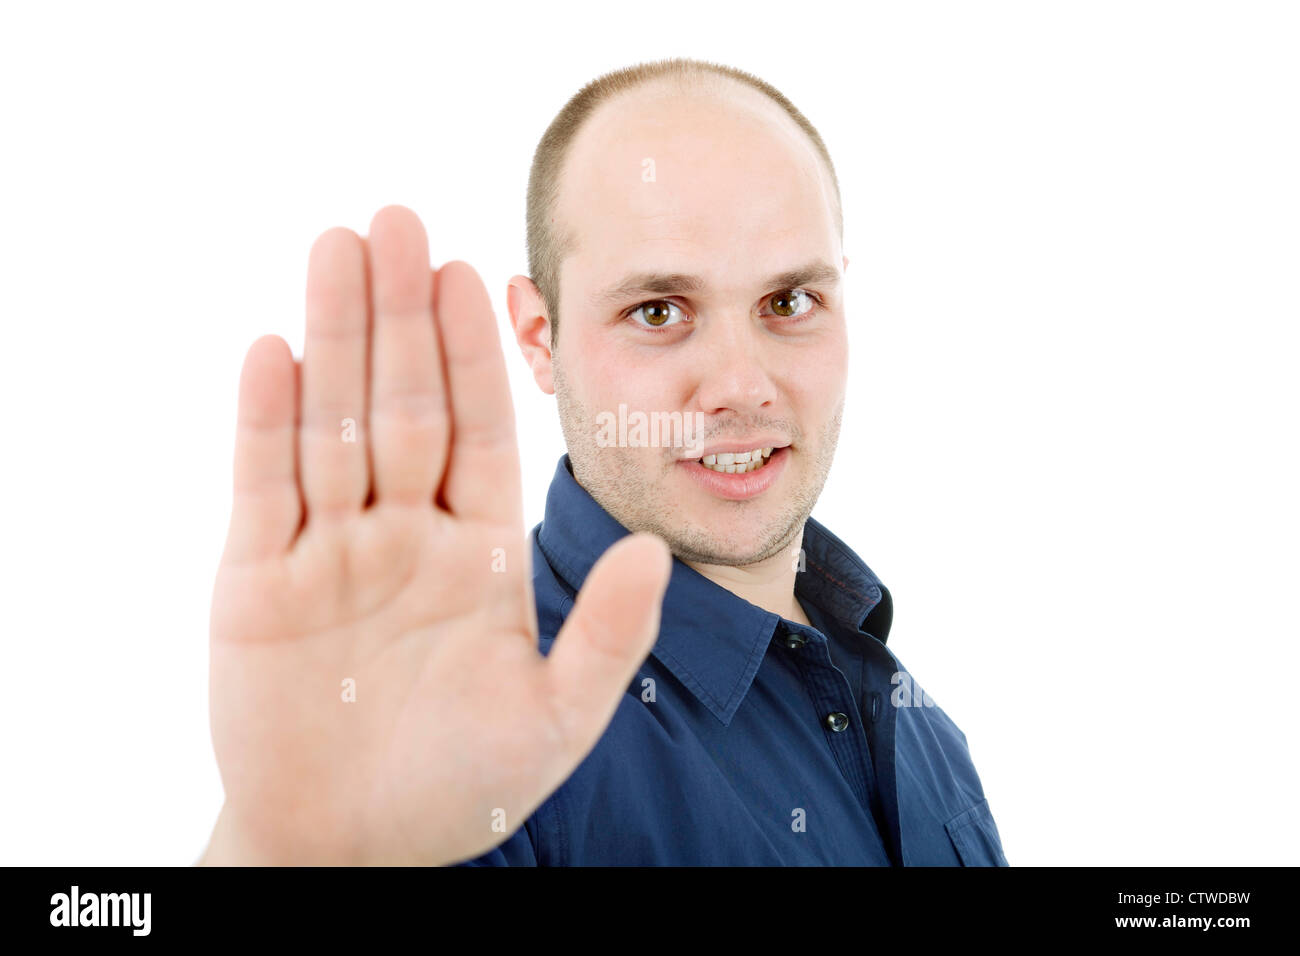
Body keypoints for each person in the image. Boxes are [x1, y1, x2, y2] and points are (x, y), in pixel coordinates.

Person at [200, 57, 1007, 866]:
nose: (742, 385)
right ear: (538, 337)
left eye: (789, 302)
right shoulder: (471, 733)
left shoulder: (921, 726)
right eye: (658, 310)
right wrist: (290, 847)